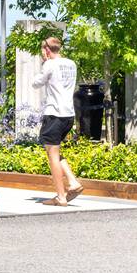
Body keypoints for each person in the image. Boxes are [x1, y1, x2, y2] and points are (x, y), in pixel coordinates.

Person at [31, 36, 82, 206]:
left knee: (52, 155)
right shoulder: (71, 63)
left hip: (54, 114)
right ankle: (73, 182)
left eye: (42, 50)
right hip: (68, 114)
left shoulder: (49, 64)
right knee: (55, 152)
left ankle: (61, 196)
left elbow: (36, 83)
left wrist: (44, 63)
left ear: (46, 49)